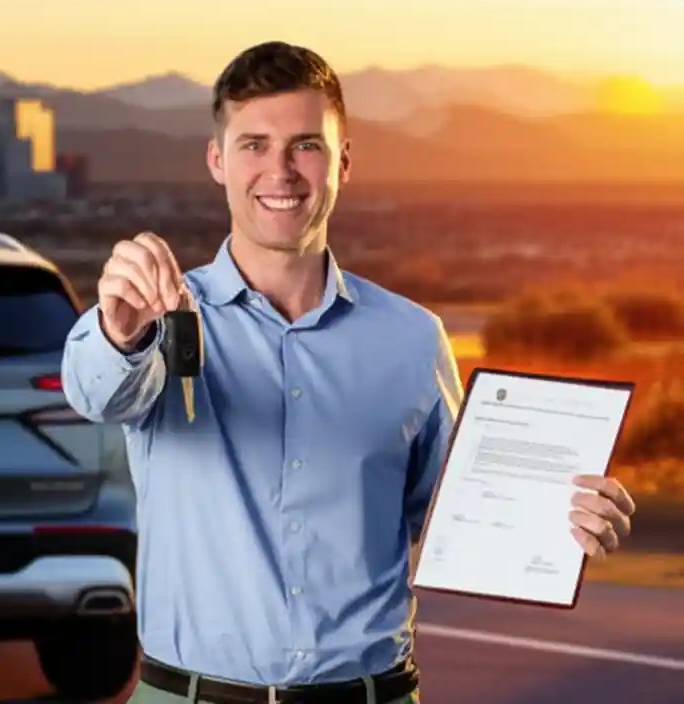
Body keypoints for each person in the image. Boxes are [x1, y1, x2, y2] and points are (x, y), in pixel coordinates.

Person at [59, 41, 638, 704]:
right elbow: (92, 390)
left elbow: (452, 519)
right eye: (254, 145)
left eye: (306, 145)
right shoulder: (151, 320)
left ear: (344, 161)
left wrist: (563, 520)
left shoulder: (412, 338)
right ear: (217, 160)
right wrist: (120, 331)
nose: (280, 171)